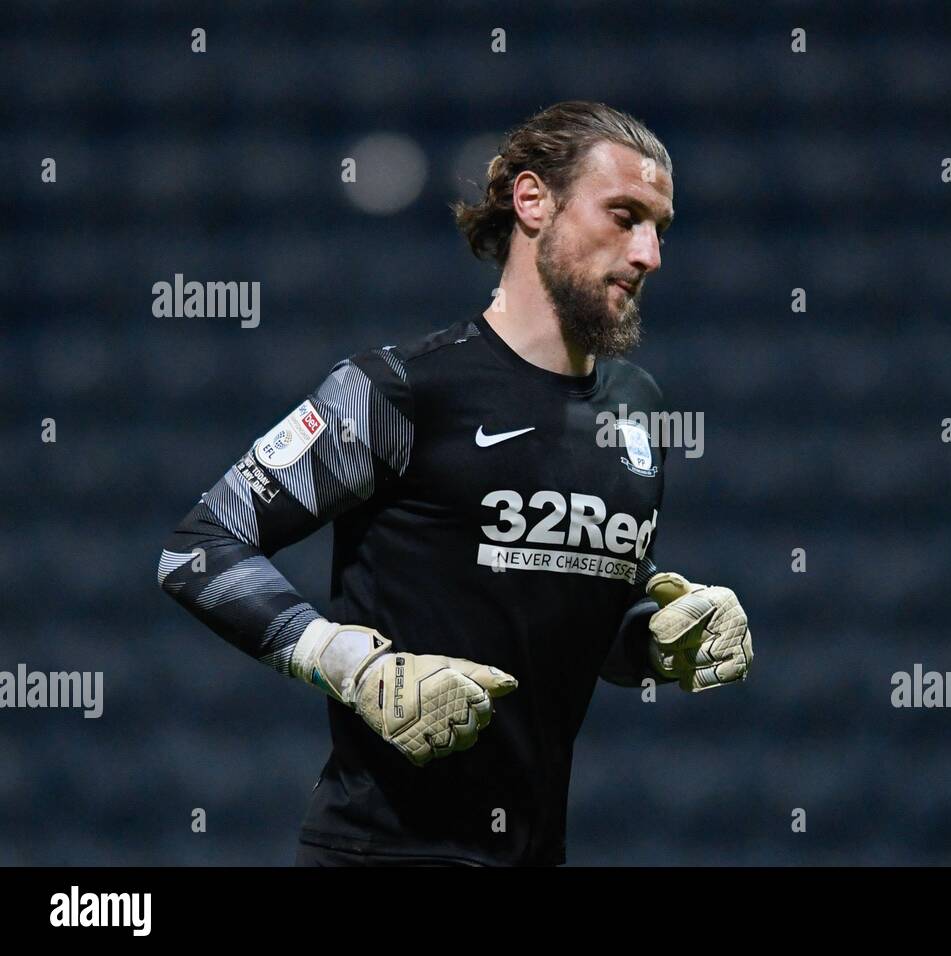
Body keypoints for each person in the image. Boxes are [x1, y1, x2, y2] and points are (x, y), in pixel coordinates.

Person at [158, 101, 753, 866]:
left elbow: (578, 616)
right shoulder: (401, 390)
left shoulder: (638, 409)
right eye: (625, 216)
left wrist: (661, 637)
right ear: (533, 201)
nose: (650, 255)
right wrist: (355, 667)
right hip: (381, 855)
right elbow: (199, 549)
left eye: (660, 229)